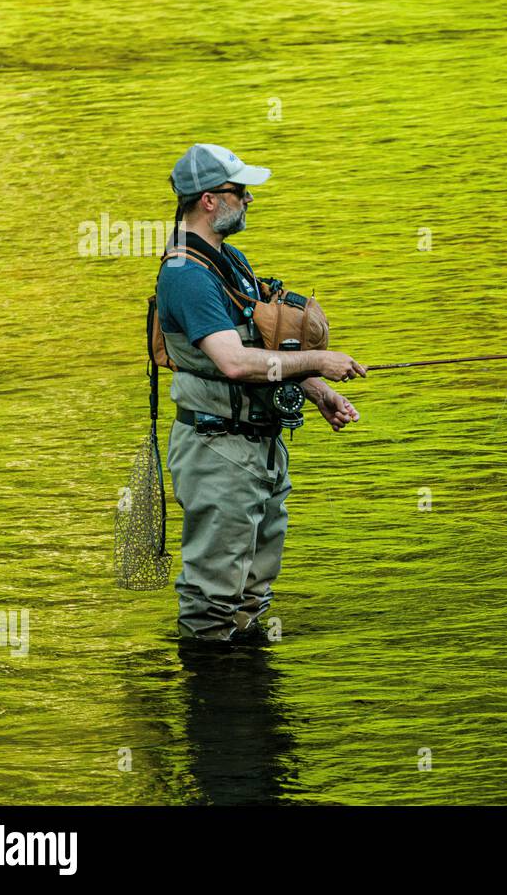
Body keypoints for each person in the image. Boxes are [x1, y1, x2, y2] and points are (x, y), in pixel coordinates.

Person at [156, 143, 365, 644]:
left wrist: (315, 390)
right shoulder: (186, 276)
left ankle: (249, 703)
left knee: (252, 593)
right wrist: (319, 361)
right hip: (217, 452)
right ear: (209, 200)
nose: (249, 200)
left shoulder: (229, 259)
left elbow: (258, 345)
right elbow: (232, 361)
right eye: (240, 192)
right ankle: (212, 705)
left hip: (258, 447)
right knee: (212, 600)